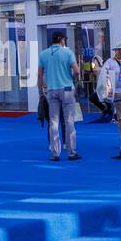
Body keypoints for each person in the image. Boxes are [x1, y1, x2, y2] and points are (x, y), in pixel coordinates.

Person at [37, 31, 80, 161]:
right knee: (69, 121)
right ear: (61, 40)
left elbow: (39, 75)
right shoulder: (68, 52)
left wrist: (41, 91)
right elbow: (77, 71)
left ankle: (55, 153)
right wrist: (72, 79)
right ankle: (71, 152)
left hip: (51, 89)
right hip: (67, 88)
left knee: (53, 121)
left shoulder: (43, 54)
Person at [81, 46, 113, 121]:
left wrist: (90, 70)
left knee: (104, 98)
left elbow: (93, 69)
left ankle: (108, 112)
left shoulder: (95, 59)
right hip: (102, 84)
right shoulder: (95, 60)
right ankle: (106, 110)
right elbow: (92, 70)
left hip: (105, 84)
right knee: (94, 97)